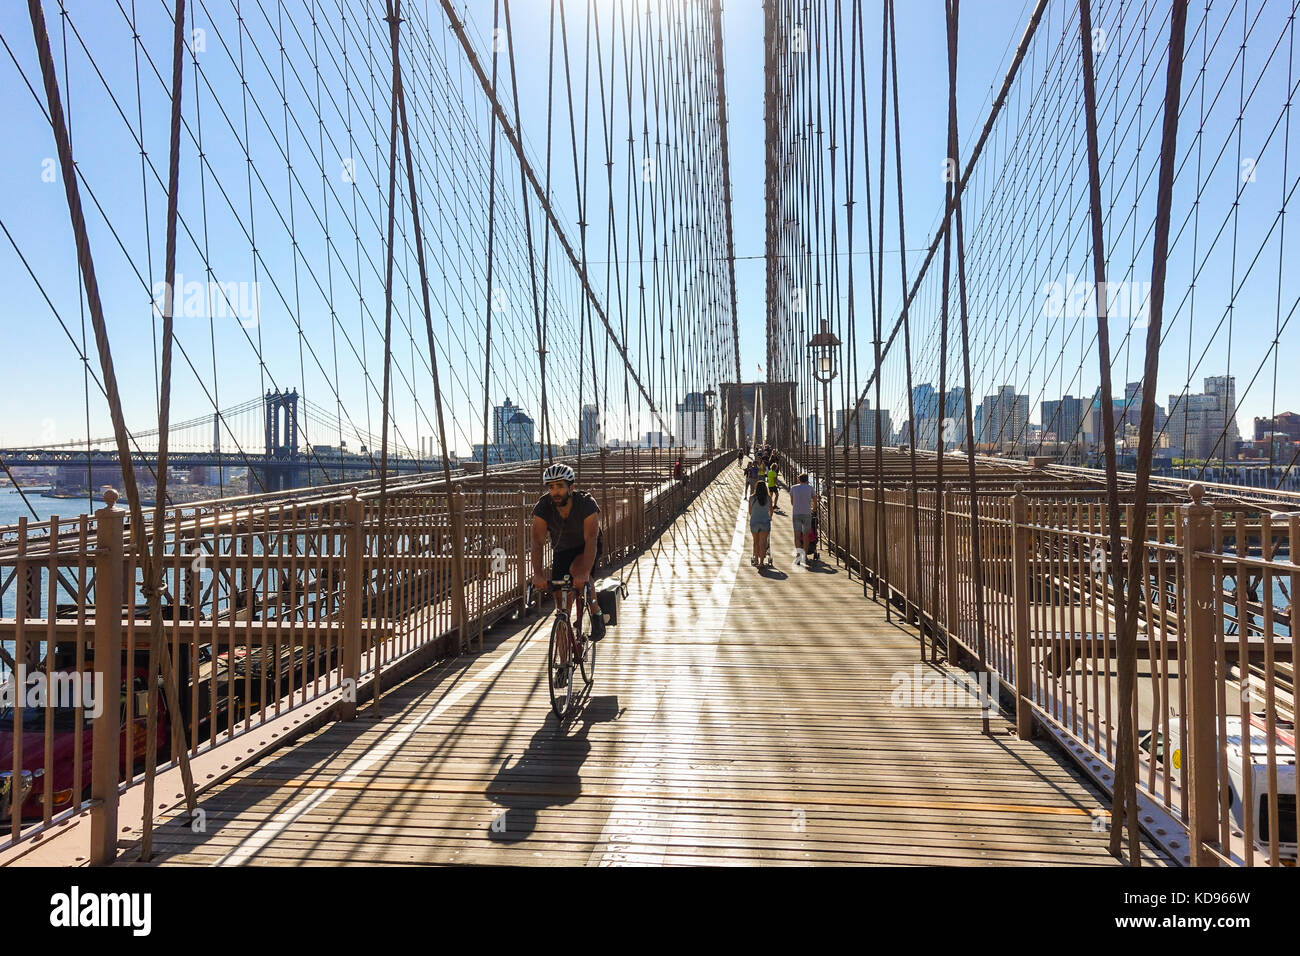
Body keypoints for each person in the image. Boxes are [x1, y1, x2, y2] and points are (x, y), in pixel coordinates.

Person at [530, 463, 606, 660]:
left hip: (586, 546)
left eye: (560, 486)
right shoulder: (543, 507)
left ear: (571, 488)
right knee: (561, 608)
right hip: (562, 549)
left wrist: (583, 572)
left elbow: (591, 539)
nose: (555, 491)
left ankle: (596, 612)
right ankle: (563, 662)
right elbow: (537, 542)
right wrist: (537, 574)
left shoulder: (586, 504)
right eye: (551, 487)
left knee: (578, 572)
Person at [788, 473, 820, 560]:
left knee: (797, 536)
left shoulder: (793, 488)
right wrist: (813, 509)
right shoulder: (810, 488)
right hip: (807, 514)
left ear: (799, 480)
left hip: (796, 513)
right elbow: (815, 499)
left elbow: (792, 502)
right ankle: (805, 555)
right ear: (807, 480)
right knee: (806, 536)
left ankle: (798, 555)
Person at [748, 478, 773, 567]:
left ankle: (755, 561)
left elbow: (750, 512)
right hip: (765, 522)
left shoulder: (751, 497)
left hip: (754, 521)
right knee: (763, 543)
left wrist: (755, 516)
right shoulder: (768, 498)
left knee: (755, 542)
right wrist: (769, 518)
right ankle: (762, 562)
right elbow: (771, 510)